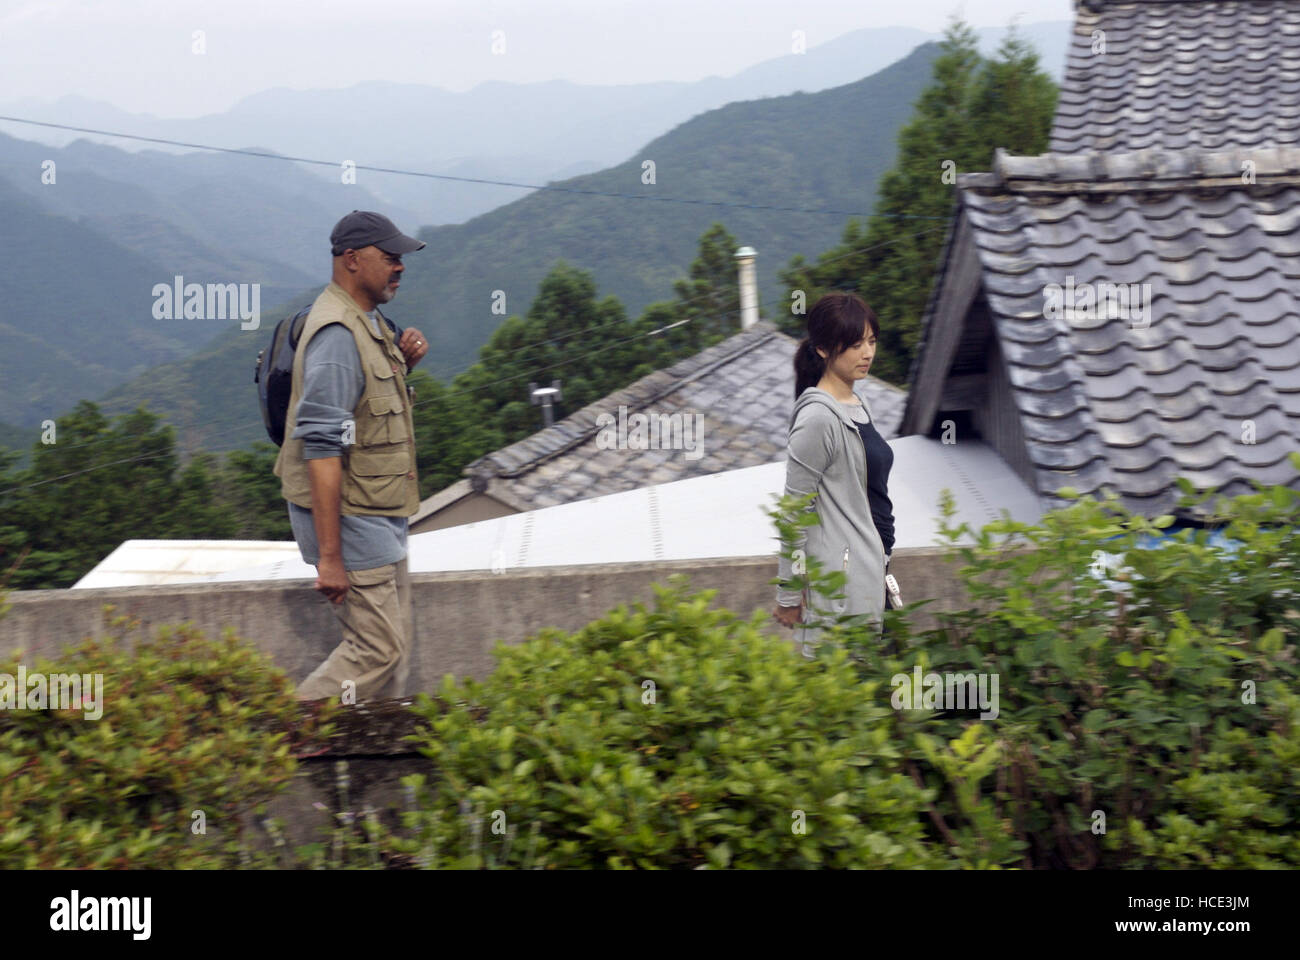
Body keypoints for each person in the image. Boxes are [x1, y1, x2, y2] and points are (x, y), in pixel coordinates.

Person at [275, 210, 430, 702]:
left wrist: (404, 364)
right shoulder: (338, 336)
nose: (400, 267)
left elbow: (365, 413)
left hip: (381, 519)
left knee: (394, 653)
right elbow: (322, 449)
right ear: (352, 260)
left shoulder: (368, 323)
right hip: (354, 526)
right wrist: (330, 559)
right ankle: (284, 739)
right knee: (376, 650)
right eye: (390, 257)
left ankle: (376, 773)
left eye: (401, 258)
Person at [772, 291, 895, 658]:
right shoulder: (817, 419)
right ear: (824, 349)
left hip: (872, 574)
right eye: (855, 344)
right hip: (842, 590)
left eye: (871, 341)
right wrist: (789, 595)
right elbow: (793, 515)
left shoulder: (858, 404)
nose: (867, 353)